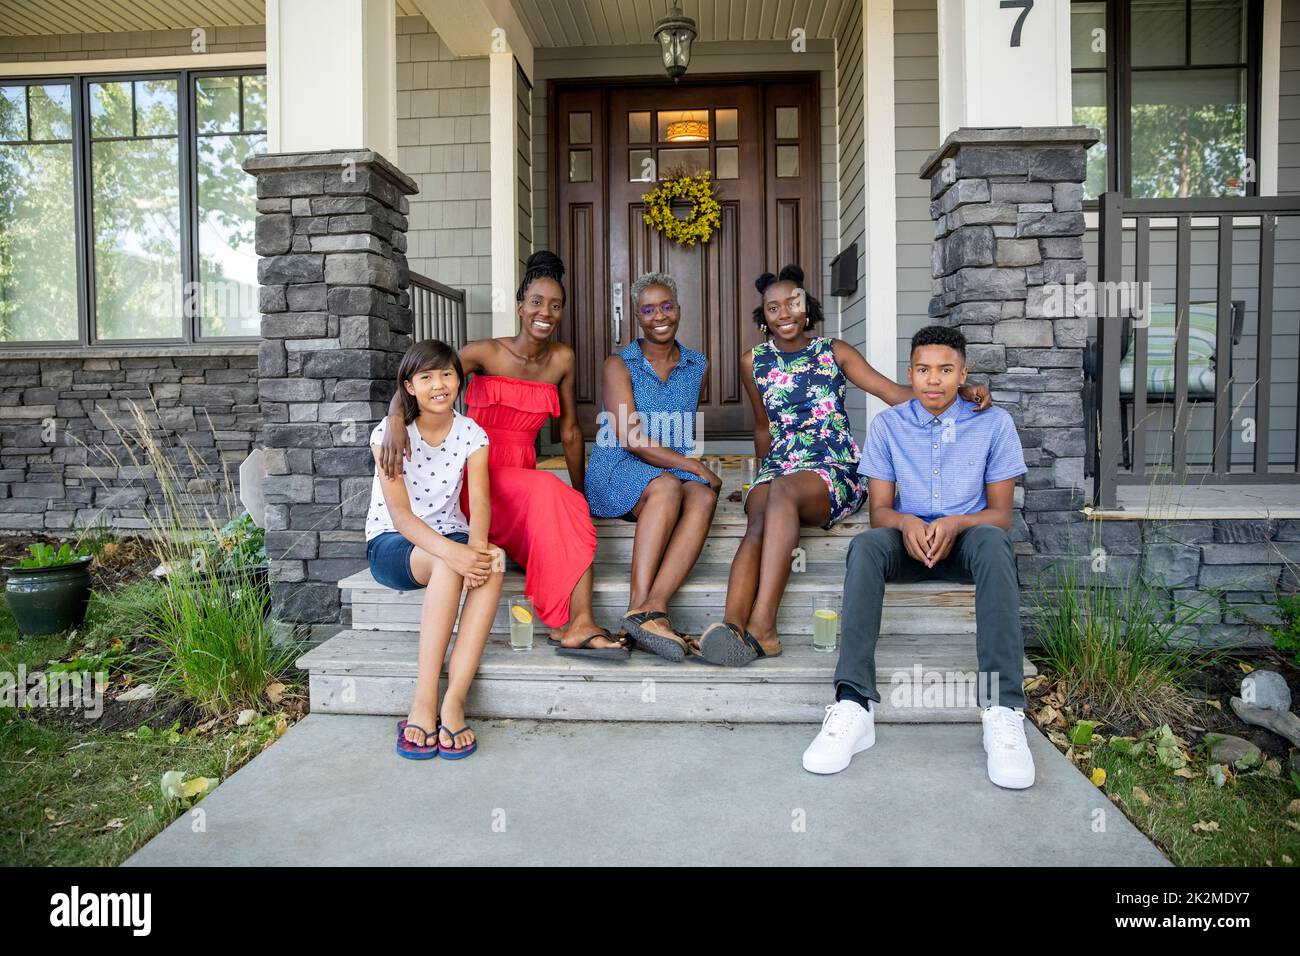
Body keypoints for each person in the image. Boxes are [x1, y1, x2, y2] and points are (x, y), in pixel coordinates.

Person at [695, 265, 991, 666]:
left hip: (832, 467)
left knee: (780, 492)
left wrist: (957, 390)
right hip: (781, 467)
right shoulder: (753, 362)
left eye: (791, 304)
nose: (783, 313)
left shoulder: (834, 352)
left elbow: (893, 393)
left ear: (807, 308)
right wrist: (758, 478)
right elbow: (763, 425)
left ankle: (763, 627)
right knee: (760, 510)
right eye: (772, 308)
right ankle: (731, 627)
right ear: (763, 317)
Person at [801, 324, 1035, 789]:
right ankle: (854, 704)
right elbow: (880, 513)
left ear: (963, 373)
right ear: (910, 373)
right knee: (866, 547)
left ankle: (1002, 708)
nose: (934, 380)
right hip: (908, 544)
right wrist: (908, 524)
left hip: (967, 541)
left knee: (994, 542)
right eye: (924, 370)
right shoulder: (890, 424)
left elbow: (1001, 514)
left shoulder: (994, 422)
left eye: (946, 370)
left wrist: (954, 524)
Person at [379, 251, 627, 658]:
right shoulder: (484, 353)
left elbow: (568, 430)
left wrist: (581, 491)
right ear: (520, 306)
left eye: (555, 304)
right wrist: (393, 418)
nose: (544, 312)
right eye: (535, 302)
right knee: (553, 493)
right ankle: (578, 622)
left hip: (523, 478)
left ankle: (579, 623)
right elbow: (424, 375)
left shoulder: (562, 359)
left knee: (567, 505)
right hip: (478, 477)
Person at [366, 340, 503, 760]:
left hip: (451, 536)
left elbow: (480, 501)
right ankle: (423, 701)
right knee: (448, 563)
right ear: (409, 386)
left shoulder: (471, 433)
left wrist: (476, 551)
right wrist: (456, 555)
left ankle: (454, 700)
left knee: (493, 564)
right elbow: (403, 518)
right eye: (426, 377)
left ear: (459, 381)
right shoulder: (389, 435)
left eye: (446, 375)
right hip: (393, 543)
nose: (438, 385)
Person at [585, 272, 721, 662]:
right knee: (669, 486)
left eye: (666, 306)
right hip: (617, 467)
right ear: (637, 317)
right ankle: (635, 605)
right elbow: (630, 438)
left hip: (665, 470)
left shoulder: (696, 364)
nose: (659, 316)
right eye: (648, 309)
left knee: (702, 495)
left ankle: (651, 609)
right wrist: (692, 464)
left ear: (678, 310)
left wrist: (693, 470)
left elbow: (678, 430)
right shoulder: (619, 363)